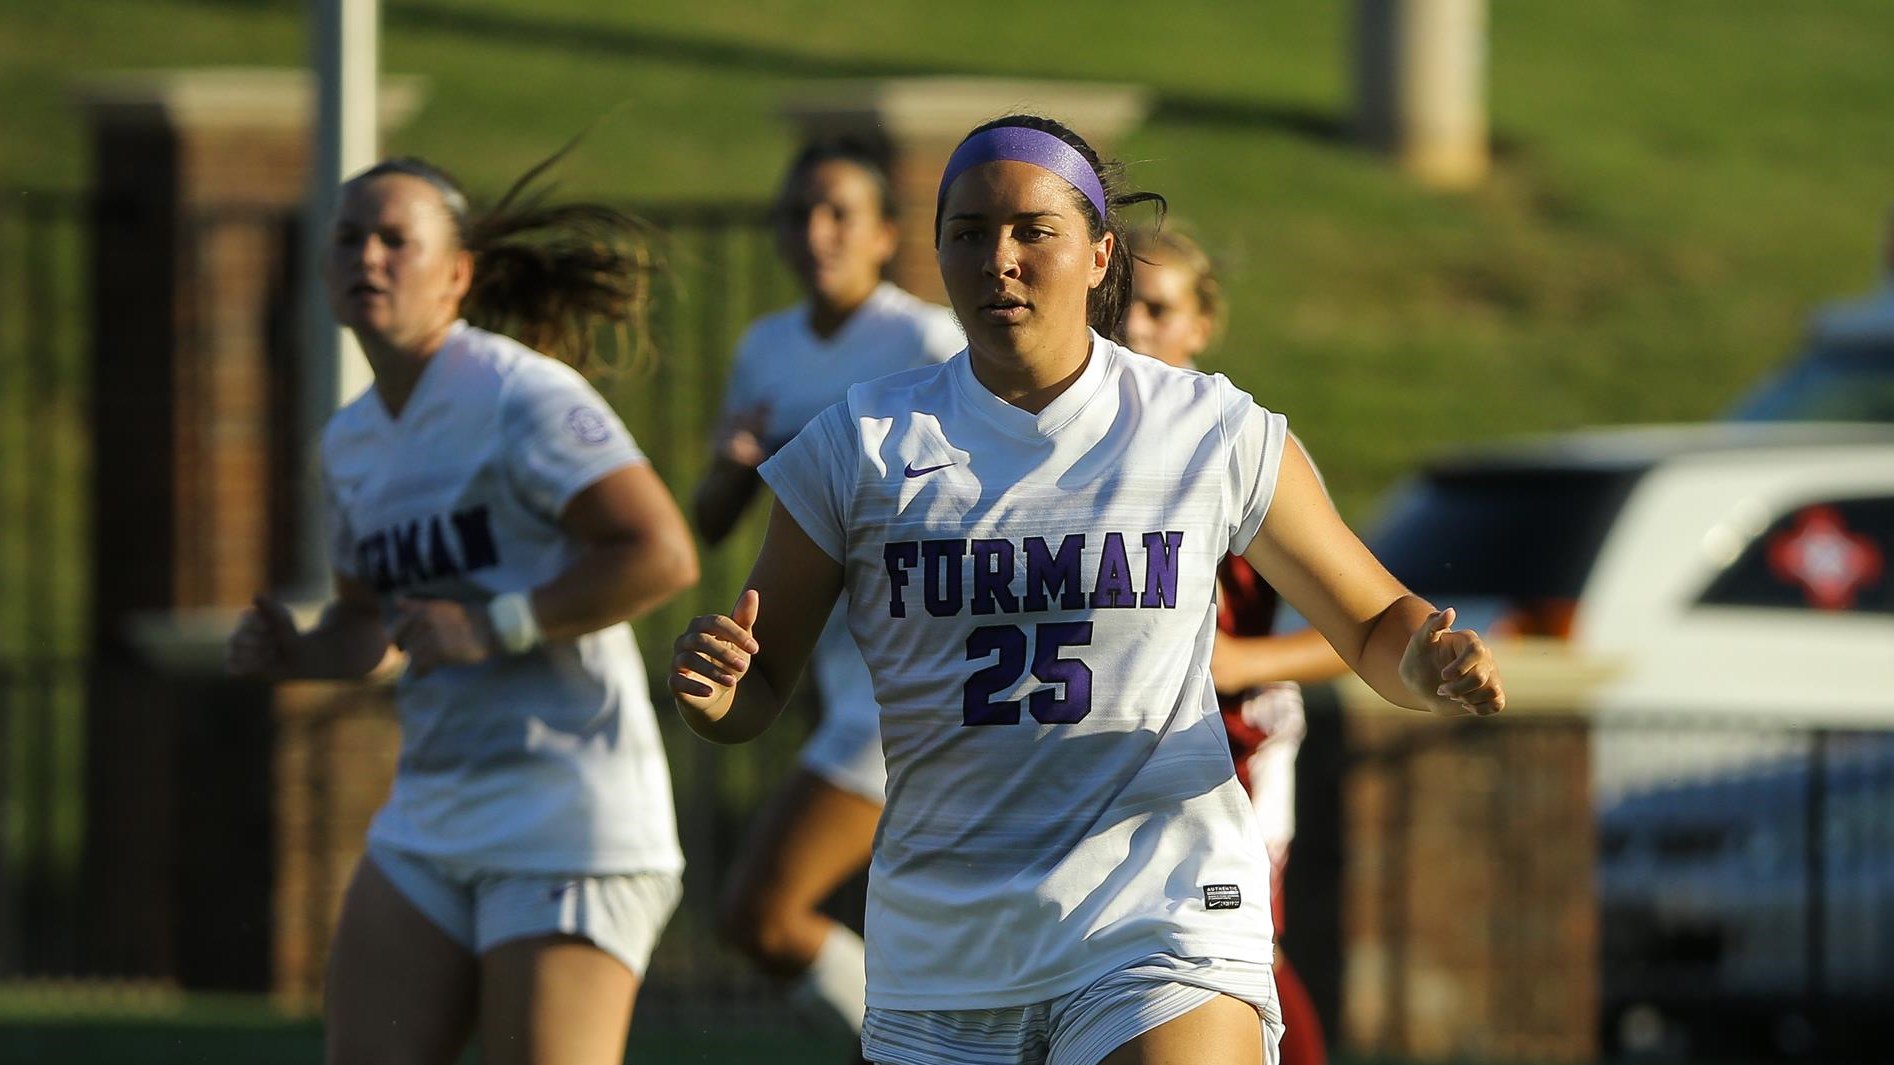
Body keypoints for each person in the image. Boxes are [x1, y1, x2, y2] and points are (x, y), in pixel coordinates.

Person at [670, 114, 1504, 1065]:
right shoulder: (857, 443)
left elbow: (1370, 622)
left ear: (1101, 253)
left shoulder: (1208, 428)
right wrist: (718, 692)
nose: (1001, 259)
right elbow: (756, 685)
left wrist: (1427, 663)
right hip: (947, 941)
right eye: (970, 232)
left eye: (1034, 229)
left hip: (1160, 912)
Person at [225, 153, 698, 1065]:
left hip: (570, 813)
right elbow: (377, 626)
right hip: (433, 807)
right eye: (349, 239)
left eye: (395, 239)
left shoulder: (519, 394)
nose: (367, 256)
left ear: (457, 274)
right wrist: (301, 650)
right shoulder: (351, 440)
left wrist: (493, 624)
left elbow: (660, 553)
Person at [694, 135, 964, 1038]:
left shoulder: (922, 341)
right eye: (800, 212)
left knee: (761, 911)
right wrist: (735, 468)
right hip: (827, 676)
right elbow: (710, 516)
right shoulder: (762, 347)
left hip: (909, 685)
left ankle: (920, 1045)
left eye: (841, 212)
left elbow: (971, 499)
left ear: (887, 234)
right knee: (892, 927)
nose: (818, 232)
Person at [1123, 226, 1345, 1065]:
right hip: (1103, 745)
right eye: (1118, 308)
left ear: (1202, 322)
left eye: (1159, 308)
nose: (1136, 328)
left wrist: (1246, 665)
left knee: (1243, 956)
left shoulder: (1240, 442)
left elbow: (1355, 618)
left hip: (1228, 754)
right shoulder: (1062, 439)